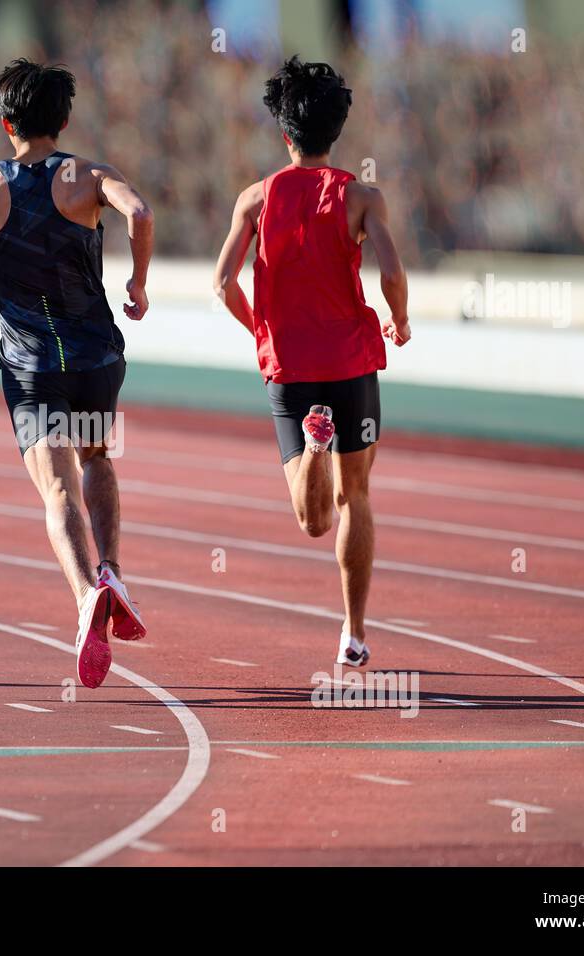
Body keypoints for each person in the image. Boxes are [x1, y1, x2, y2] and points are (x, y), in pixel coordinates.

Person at [0, 59, 153, 688]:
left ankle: (85, 596)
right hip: (96, 356)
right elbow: (140, 213)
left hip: (29, 366)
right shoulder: (89, 176)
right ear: (65, 119)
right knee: (97, 461)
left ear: (5, 123)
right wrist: (137, 281)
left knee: (57, 491)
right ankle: (110, 570)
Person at [213, 56, 411, 667]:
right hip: (351, 362)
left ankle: (313, 443)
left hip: (290, 368)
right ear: (337, 130)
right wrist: (399, 320)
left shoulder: (256, 198)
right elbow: (393, 271)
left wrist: (262, 333)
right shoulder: (361, 197)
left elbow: (222, 283)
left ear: (284, 133)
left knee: (312, 521)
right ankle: (353, 632)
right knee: (357, 498)